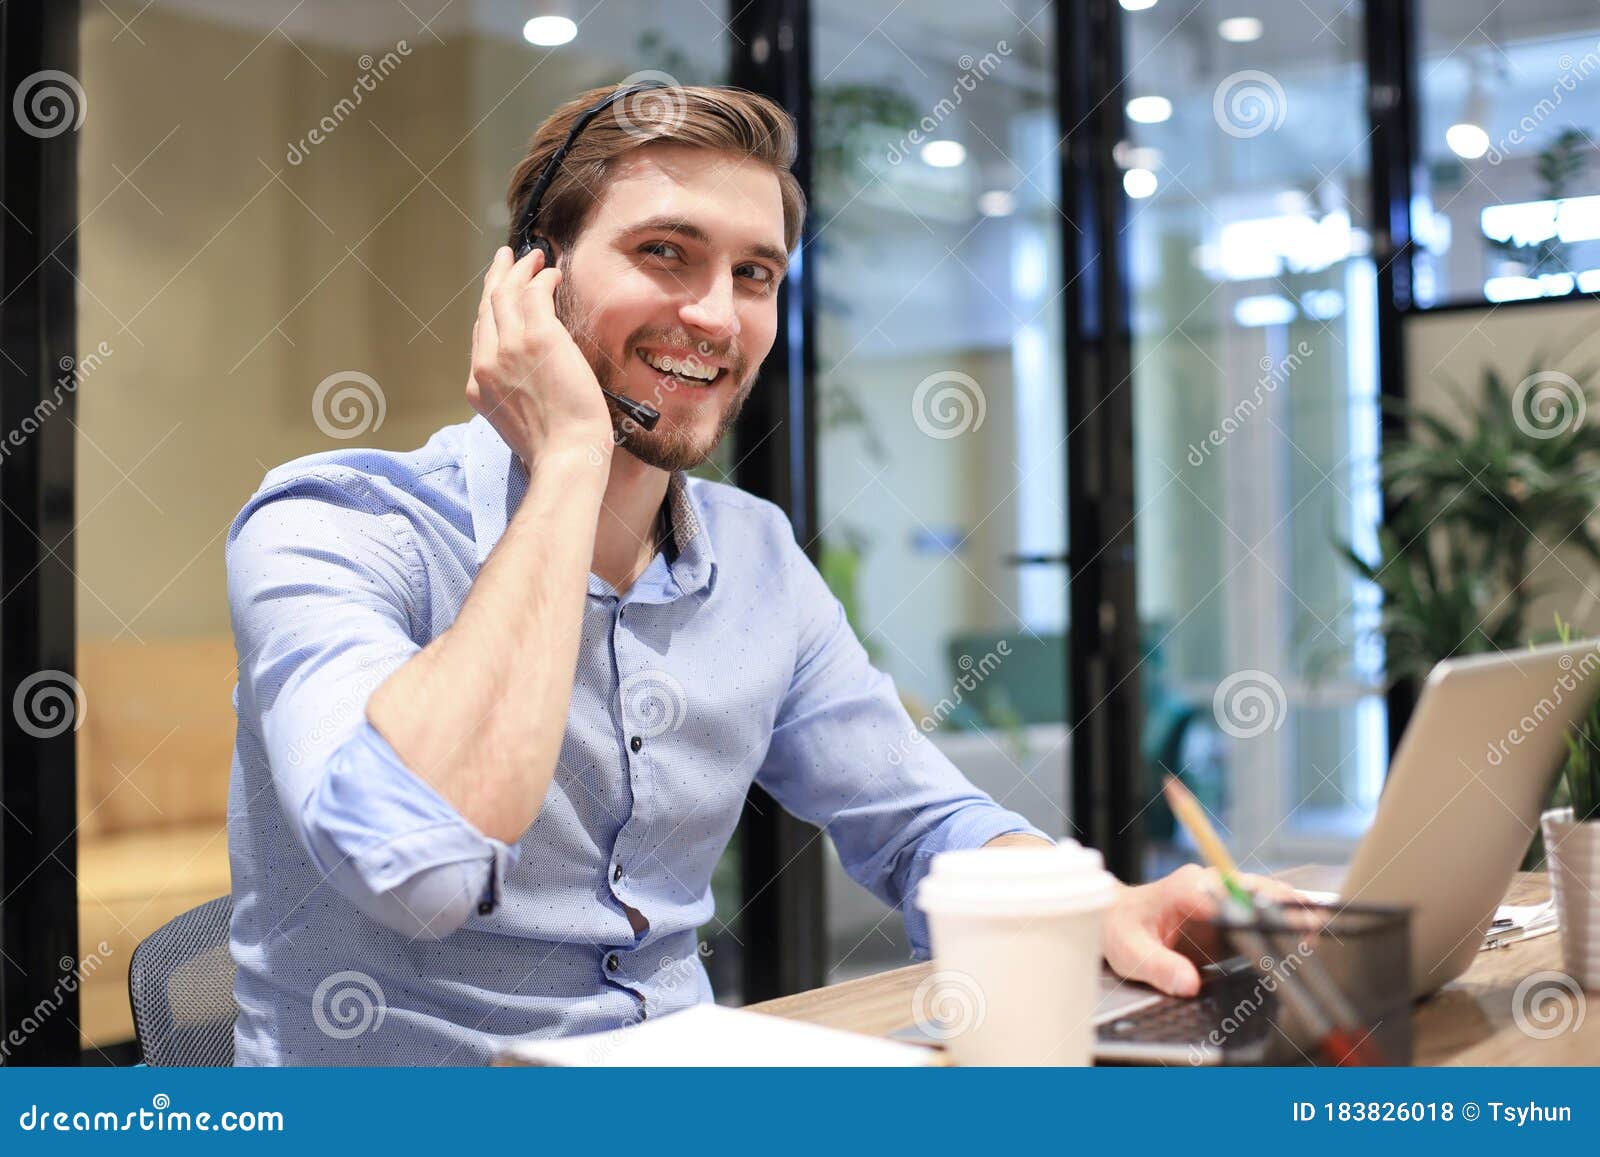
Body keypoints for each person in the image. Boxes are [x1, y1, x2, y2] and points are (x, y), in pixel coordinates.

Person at [225, 82, 1286, 1066]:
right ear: (534, 282)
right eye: (665, 252)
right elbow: (413, 862)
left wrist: (1093, 904)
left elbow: (919, 819)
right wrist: (570, 461)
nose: (717, 316)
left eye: (754, 275)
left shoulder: (757, 556)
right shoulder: (337, 523)